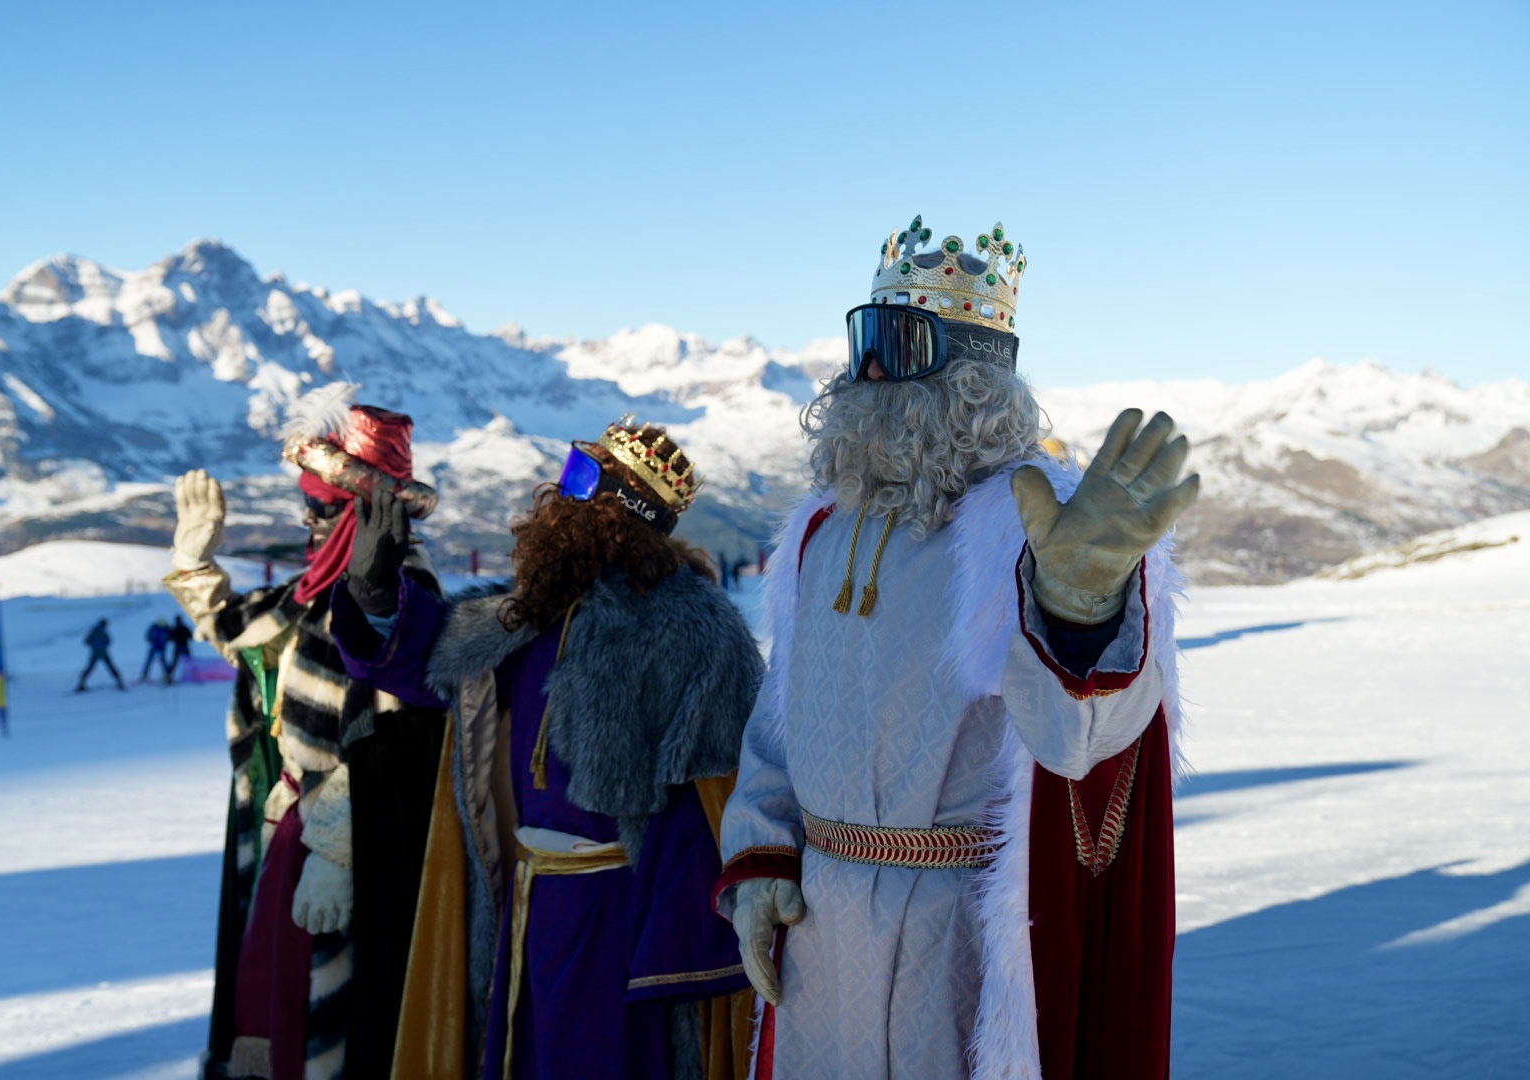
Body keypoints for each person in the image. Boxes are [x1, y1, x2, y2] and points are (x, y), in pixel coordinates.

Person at [715, 217, 1198, 1079]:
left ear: (972, 374)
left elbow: (1082, 744)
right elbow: (777, 727)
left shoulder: (1031, 526)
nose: (865, 371)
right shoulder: (820, 530)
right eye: (862, 339)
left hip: (956, 935)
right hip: (819, 934)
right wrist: (761, 861)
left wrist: (1081, 609)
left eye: (895, 344)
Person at [330, 416, 762, 1080]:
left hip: (617, 919)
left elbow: (713, 804)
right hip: (527, 905)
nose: (559, 495)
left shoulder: (698, 631)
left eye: (581, 479)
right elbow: (428, 662)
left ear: (622, 513)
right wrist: (374, 590)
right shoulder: (534, 611)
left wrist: (671, 958)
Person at [164, 385, 448, 1080]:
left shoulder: (399, 600)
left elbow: (395, 738)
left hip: (347, 835)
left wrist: (336, 851)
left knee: (327, 1016)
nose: (308, 519)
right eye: (307, 504)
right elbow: (246, 638)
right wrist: (195, 565)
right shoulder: (316, 587)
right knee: (271, 1003)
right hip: (292, 823)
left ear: (362, 509)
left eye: (323, 506)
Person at [75, 618, 126, 691]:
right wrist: (97, 644)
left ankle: (81, 684)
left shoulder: (96, 631)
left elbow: (87, 641)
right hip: (101, 653)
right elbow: (107, 642)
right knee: (111, 667)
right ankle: (120, 682)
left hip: (97, 653)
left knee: (90, 668)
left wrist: (96, 644)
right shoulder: (99, 632)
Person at [163, 614, 192, 683]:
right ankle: (169, 677)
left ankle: (191, 675)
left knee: (187, 662)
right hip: (180, 647)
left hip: (183, 646)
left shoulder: (181, 628)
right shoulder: (177, 628)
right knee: (176, 663)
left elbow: (190, 636)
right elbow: (170, 637)